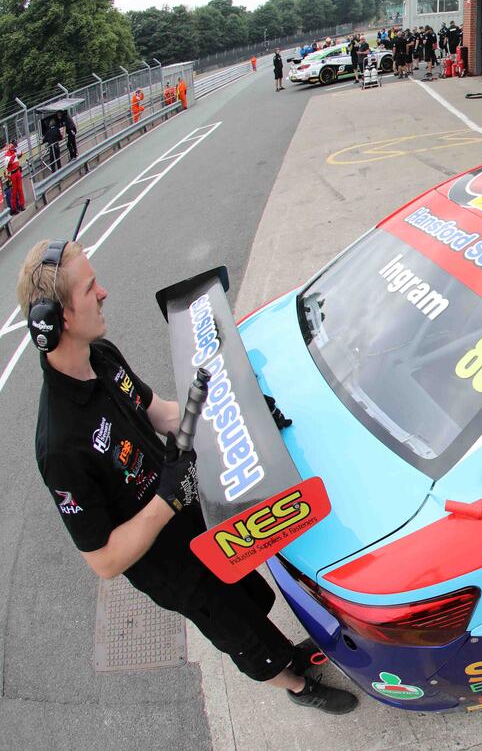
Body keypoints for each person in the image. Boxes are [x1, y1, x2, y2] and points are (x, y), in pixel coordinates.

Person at [19, 241, 359, 715]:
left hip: (193, 514)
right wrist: (166, 497)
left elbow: (156, 411)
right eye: (89, 288)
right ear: (60, 321)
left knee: (246, 596)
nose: (104, 292)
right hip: (168, 565)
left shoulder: (101, 354)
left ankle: (284, 654)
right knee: (234, 630)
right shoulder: (59, 443)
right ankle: (296, 685)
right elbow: (104, 560)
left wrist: (237, 413)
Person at [3, 142, 25, 214]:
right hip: (12, 174)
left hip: (18, 172)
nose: (13, 146)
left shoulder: (15, 151)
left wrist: (19, 153)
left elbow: (20, 155)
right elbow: (8, 163)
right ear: (9, 146)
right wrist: (14, 155)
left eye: (14, 145)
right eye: (12, 145)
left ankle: (22, 205)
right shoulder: (7, 155)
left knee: (20, 189)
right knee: (14, 192)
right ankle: (14, 209)